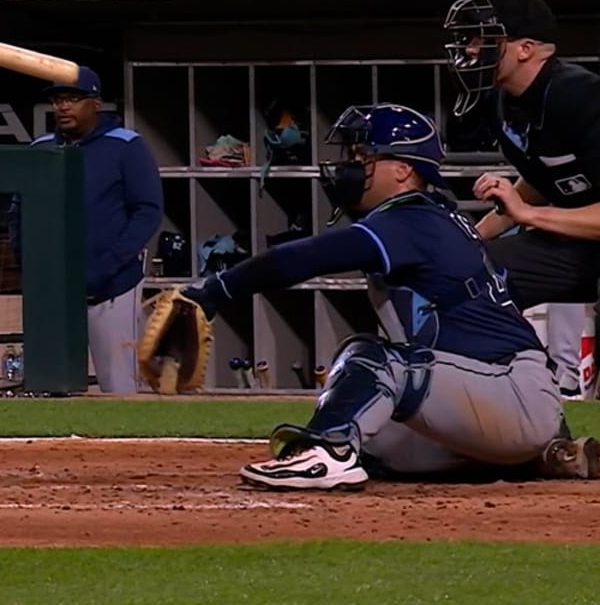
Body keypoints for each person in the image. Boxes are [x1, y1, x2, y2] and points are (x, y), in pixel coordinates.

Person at [175, 104, 582, 490]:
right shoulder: (427, 216)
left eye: (365, 155)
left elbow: (308, 257)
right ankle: (541, 455)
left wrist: (214, 290)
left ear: (403, 170)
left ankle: (327, 452)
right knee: (373, 435)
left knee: (372, 360)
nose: (353, 166)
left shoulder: (412, 217)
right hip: (498, 400)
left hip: (513, 393)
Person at [444, 0, 600, 398]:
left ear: (526, 48)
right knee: (470, 275)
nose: (472, 50)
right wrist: (469, 238)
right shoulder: (502, 102)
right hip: (579, 241)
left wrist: (527, 215)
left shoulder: (581, 96)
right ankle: (517, 392)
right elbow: (543, 176)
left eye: (484, 39)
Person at [8, 67, 162, 395]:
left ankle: (132, 446)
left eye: (73, 99)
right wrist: (29, 266)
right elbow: (19, 212)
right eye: (58, 99)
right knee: (49, 387)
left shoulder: (126, 145)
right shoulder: (41, 149)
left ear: (96, 103)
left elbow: (148, 210)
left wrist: (109, 264)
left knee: (119, 386)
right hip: (52, 294)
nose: (63, 107)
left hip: (113, 289)